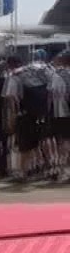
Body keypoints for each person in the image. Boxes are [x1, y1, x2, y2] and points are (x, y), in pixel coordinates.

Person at [3, 51, 54, 182]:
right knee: (45, 139)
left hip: (24, 114)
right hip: (43, 113)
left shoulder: (16, 76)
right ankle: (51, 167)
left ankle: (24, 173)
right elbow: (51, 93)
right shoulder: (46, 71)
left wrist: (12, 117)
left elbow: (11, 98)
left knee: (25, 146)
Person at [51, 50, 70, 181]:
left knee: (63, 143)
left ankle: (63, 171)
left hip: (62, 113)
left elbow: (52, 95)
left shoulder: (58, 76)